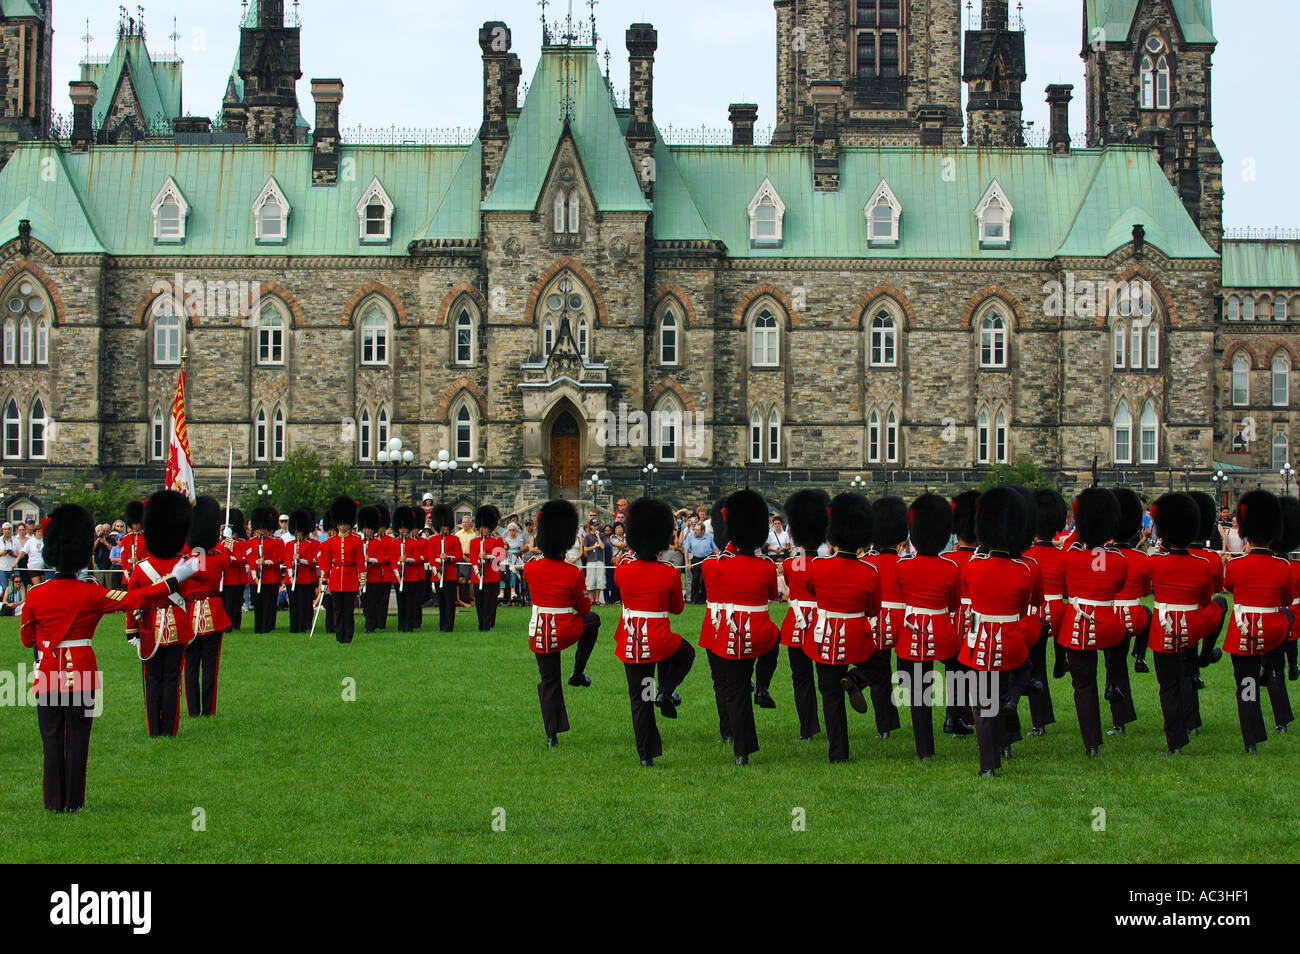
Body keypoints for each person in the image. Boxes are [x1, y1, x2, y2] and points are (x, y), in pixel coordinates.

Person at [21, 504, 197, 811]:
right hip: (83, 671)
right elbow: (135, 598)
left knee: (51, 738)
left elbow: (26, 639)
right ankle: (74, 802)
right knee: (78, 738)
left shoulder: (36, 594)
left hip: (48, 671)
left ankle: (53, 802)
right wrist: (172, 581)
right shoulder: (92, 592)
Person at [959, 487, 1036, 776]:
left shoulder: (973, 567)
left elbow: (968, 589)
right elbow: (1024, 608)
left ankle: (988, 766)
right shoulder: (1023, 571)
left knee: (982, 707)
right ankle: (1012, 700)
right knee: (1024, 669)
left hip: (979, 643)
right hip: (1011, 641)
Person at [613, 498, 696, 767]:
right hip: (659, 641)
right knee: (686, 654)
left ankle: (646, 756)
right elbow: (678, 609)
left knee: (640, 699)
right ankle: (666, 690)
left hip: (631, 641)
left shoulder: (623, 571)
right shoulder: (668, 573)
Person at [806, 493, 888, 764]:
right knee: (879, 666)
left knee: (830, 696)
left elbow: (811, 590)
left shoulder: (819, 566)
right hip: (855, 634)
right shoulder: (869, 572)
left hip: (824, 635)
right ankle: (856, 679)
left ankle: (838, 754)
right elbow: (874, 610)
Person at [1148, 494, 1228, 755]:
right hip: (1192, 627)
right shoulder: (1202, 565)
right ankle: (1192, 719)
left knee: (1168, 687)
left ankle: (1175, 742)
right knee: (1188, 669)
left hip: (1163, 630)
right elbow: (1206, 599)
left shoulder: (1156, 562)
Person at [709, 490, 780, 766]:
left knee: (736, 691)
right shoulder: (766, 566)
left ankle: (742, 752)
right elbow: (773, 595)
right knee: (776, 637)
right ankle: (763, 684)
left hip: (731, 634)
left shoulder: (720, 566)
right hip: (761, 633)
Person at [1057, 487, 1128, 758]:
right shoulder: (1119, 561)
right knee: (1122, 637)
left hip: (1078, 626)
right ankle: (1114, 680)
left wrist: (1081, 526)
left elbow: (1071, 543)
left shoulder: (1070, 556)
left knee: (1083, 686)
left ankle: (1092, 744)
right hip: (1108, 623)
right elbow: (1119, 588)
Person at [523, 499, 600, 747]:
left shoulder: (530, 568)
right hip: (566, 629)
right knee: (593, 620)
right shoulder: (572, 572)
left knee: (549, 681)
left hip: (540, 632)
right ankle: (578, 671)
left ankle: (551, 735)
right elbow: (585, 608)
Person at [1222, 490, 1293, 752]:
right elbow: (1286, 600)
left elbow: (1228, 588)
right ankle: (1272, 665)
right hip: (1272, 632)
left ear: (1247, 535)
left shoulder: (1236, 565)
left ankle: (1251, 740)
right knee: (1283, 620)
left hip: (1243, 634)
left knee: (1246, 685)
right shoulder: (1283, 566)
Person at [895, 493, 965, 760]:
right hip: (942, 629)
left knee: (918, 694)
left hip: (912, 629)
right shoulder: (950, 567)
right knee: (960, 671)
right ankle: (955, 715)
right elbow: (955, 604)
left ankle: (925, 749)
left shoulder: (904, 567)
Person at [129, 490, 197, 738]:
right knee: (172, 680)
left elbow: (133, 602)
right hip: (177, 625)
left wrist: (131, 632)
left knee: (153, 679)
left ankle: (154, 730)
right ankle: (169, 729)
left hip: (149, 627)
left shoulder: (140, 570)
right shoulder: (184, 565)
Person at [778, 490, 828, 742]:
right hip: (821, 624)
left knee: (801, 679)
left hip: (796, 625)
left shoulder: (790, 565)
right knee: (825, 679)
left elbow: (789, 585)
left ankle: (807, 728)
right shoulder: (826, 565)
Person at [860, 497, 907, 739]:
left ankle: (885, 727)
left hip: (876, 622)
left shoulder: (867, 563)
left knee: (879, 674)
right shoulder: (905, 563)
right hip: (904, 623)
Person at [182, 497, 232, 718]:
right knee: (210, 666)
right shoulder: (218, 556)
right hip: (213, 613)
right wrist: (226, 542)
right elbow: (225, 561)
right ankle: (207, 710)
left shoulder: (185, 558)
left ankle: (193, 710)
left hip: (190, 615)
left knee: (191, 666)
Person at [1105, 488, 1148, 736]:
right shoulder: (1142, 559)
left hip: (1111, 617)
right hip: (1135, 615)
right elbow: (1145, 589)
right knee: (1148, 615)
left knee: (1114, 666)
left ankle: (1119, 719)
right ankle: (1140, 654)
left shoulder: (1105, 556)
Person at [1025, 490, 1067, 736]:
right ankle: (1062, 658)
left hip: (1035, 614)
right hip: (1059, 613)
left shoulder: (1027, 557)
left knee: (1035, 666)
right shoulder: (1064, 556)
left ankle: (1039, 722)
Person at [316, 497, 363, 644]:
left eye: (345, 524)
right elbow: (325, 563)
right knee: (338, 610)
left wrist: (362, 579)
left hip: (350, 578)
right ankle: (339, 635)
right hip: (336, 578)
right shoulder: (330, 542)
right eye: (341, 524)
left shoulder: (356, 541)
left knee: (348, 610)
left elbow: (360, 561)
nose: (343, 527)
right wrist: (325, 579)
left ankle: (348, 635)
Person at [244, 508, 284, 634]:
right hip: (255, 578)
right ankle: (258, 627)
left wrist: (265, 562)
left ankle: (268, 626)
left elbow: (279, 559)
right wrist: (255, 570)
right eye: (259, 528)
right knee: (258, 604)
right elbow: (249, 557)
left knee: (269, 604)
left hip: (270, 578)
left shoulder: (275, 542)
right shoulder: (250, 542)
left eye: (263, 528)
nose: (261, 531)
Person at [469, 506, 505, 631]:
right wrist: (477, 568)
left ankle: (487, 623)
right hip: (478, 575)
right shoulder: (474, 542)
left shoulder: (497, 540)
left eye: (485, 527)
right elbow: (473, 557)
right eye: (481, 527)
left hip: (491, 576)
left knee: (490, 602)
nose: (483, 529)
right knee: (479, 602)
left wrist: (488, 558)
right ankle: (482, 622)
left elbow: (500, 557)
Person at [427, 504, 462, 632]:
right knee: (441, 601)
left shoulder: (454, 539)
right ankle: (442, 625)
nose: (444, 529)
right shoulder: (432, 540)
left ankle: (449, 625)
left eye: (446, 526)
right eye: (442, 527)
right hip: (438, 575)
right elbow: (430, 557)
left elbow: (458, 556)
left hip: (450, 574)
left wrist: (448, 558)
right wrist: (437, 570)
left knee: (449, 601)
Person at [283, 509, 319, 634]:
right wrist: (291, 573)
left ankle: (303, 626)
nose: (297, 533)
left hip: (306, 579)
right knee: (293, 604)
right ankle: (294, 627)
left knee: (304, 604)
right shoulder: (289, 545)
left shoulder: (312, 544)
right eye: (296, 531)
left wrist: (301, 560)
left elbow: (312, 562)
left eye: (299, 531)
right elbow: (287, 561)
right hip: (292, 579)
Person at [392, 506, 427, 632]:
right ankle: (401, 624)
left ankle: (410, 624)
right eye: (401, 528)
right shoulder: (394, 543)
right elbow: (392, 559)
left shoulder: (414, 542)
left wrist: (408, 560)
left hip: (411, 575)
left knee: (410, 602)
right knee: (401, 602)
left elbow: (418, 557)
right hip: (398, 576)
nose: (403, 530)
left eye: (405, 528)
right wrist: (397, 569)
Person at [358, 505, 392, 634]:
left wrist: (370, 560)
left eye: (369, 528)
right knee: (365, 601)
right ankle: (369, 621)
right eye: (365, 528)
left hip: (375, 576)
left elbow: (381, 559)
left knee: (373, 601)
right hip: (363, 576)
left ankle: (370, 626)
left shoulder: (378, 543)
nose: (367, 531)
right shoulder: (359, 543)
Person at [682, 520, 716, 604]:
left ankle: (703, 599)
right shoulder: (690, 536)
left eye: (697, 530)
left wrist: (718, 557)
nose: (695, 531)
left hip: (707, 559)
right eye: (695, 529)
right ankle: (693, 599)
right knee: (695, 579)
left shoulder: (709, 537)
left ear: (703, 531)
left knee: (705, 580)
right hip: (695, 559)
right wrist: (687, 563)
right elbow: (686, 550)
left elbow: (715, 549)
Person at [580, 518, 606, 606]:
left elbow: (602, 547)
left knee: (599, 580)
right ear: (591, 526)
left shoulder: (602, 535)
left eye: (597, 525)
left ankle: (597, 599)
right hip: (591, 560)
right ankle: (591, 599)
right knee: (590, 580)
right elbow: (585, 549)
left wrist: (598, 536)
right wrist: (595, 546)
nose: (596, 527)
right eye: (594, 525)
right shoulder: (587, 536)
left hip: (600, 560)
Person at [455, 516, 476, 608]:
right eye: (463, 522)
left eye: (466, 522)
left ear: (470, 523)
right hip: (461, 557)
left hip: (471, 557)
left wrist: (471, 558)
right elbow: (457, 547)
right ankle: (462, 599)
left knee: (471, 579)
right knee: (462, 578)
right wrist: (463, 556)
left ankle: (472, 598)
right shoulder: (458, 534)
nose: (464, 524)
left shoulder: (474, 535)